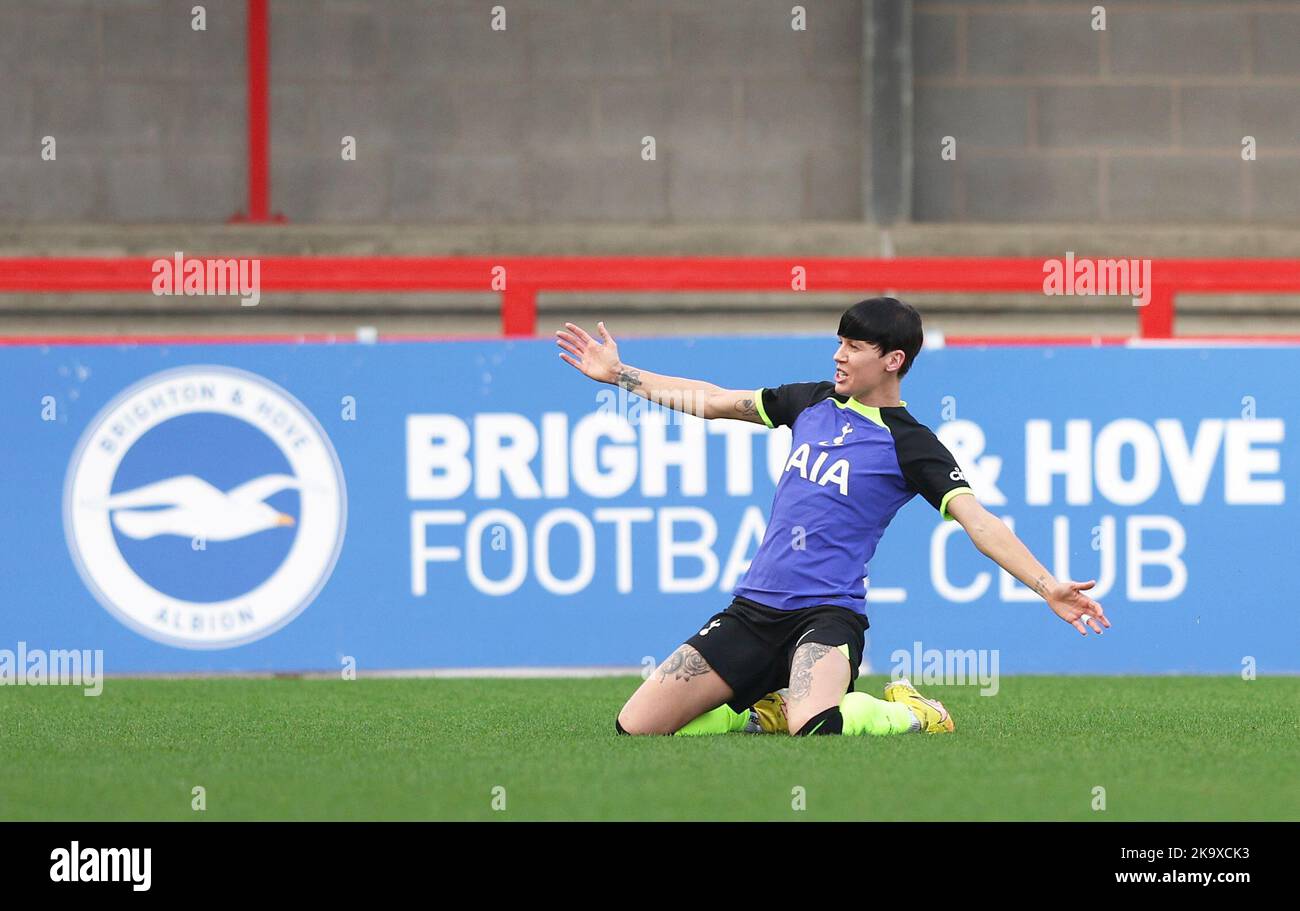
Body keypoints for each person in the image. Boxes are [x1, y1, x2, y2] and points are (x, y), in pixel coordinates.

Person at [554, 298, 1110, 737]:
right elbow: (716, 400)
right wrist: (620, 375)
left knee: (816, 726)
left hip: (826, 616)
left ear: (893, 360)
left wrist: (1048, 587)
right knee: (638, 726)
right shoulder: (809, 402)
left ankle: (914, 713)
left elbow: (980, 522)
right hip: (752, 612)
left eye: (855, 346)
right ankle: (758, 710)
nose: (839, 356)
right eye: (839, 343)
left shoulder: (912, 444)